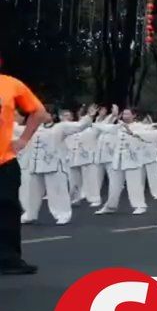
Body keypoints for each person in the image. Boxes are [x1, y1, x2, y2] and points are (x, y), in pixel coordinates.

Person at [1, 69, 50, 274]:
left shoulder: (10, 84)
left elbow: (39, 112)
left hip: (3, 161)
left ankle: (8, 260)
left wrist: (23, 140)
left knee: (7, 211)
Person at [22, 106, 95, 225]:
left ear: (52, 116)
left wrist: (89, 116)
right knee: (32, 192)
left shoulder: (60, 127)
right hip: (35, 165)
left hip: (54, 165)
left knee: (57, 191)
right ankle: (30, 214)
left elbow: (79, 126)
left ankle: (63, 214)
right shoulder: (35, 128)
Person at [96, 107, 157, 216]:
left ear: (134, 115)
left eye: (127, 114)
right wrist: (113, 116)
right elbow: (104, 127)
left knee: (134, 184)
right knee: (114, 185)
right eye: (124, 114)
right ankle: (110, 206)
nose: (125, 116)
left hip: (132, 159)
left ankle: (140, 205)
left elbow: (149, 131)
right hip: (118, 160)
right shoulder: (118, 126)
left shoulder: (139, 126)